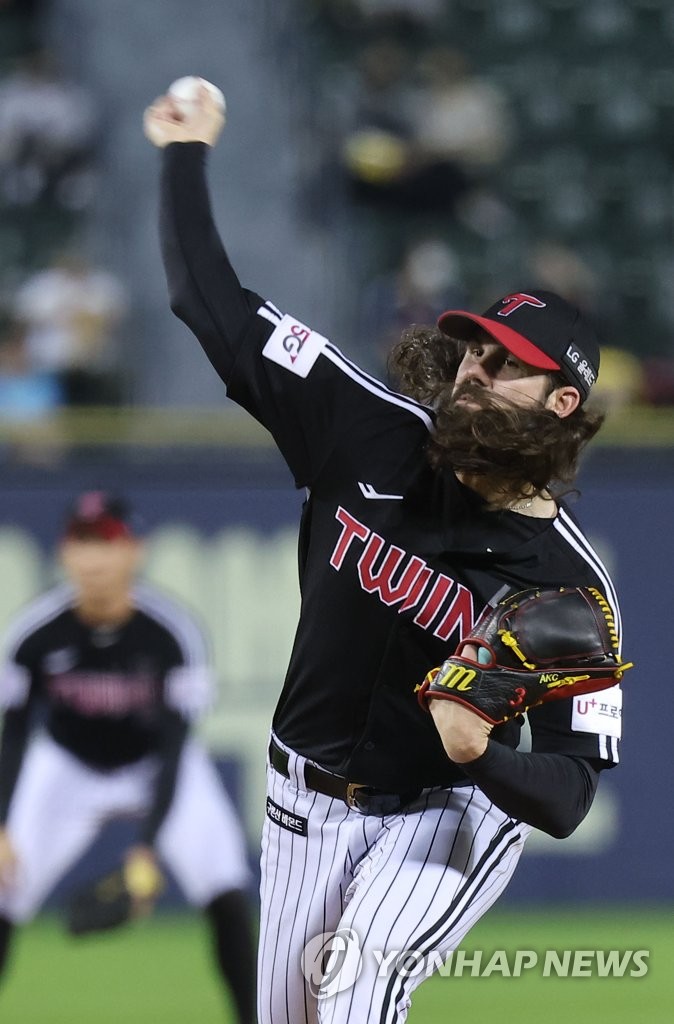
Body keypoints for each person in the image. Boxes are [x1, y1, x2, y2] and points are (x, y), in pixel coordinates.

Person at [144, 87, 625, 1024]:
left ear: (561, 403)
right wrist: (184, 152)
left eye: (508, 364)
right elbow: (207, 302)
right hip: (301, 802)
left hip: (448, 812)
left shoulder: (569, 585)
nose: (476, 371)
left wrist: (480, 753)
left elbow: (568, 792)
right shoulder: (364, 427)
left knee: (357, 989)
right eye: (475, 353)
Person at [0, 491, 256, 1024]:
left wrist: (145, 850)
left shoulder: (170, 634)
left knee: (227, 889)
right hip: (67, 766)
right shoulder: (35, 633)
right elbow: (15, 733)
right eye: (82, 542)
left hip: (158, 765)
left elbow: (172, 743)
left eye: (109, 542)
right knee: (2, 887)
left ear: (135, 551)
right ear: (64, 552)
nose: (94, 558)